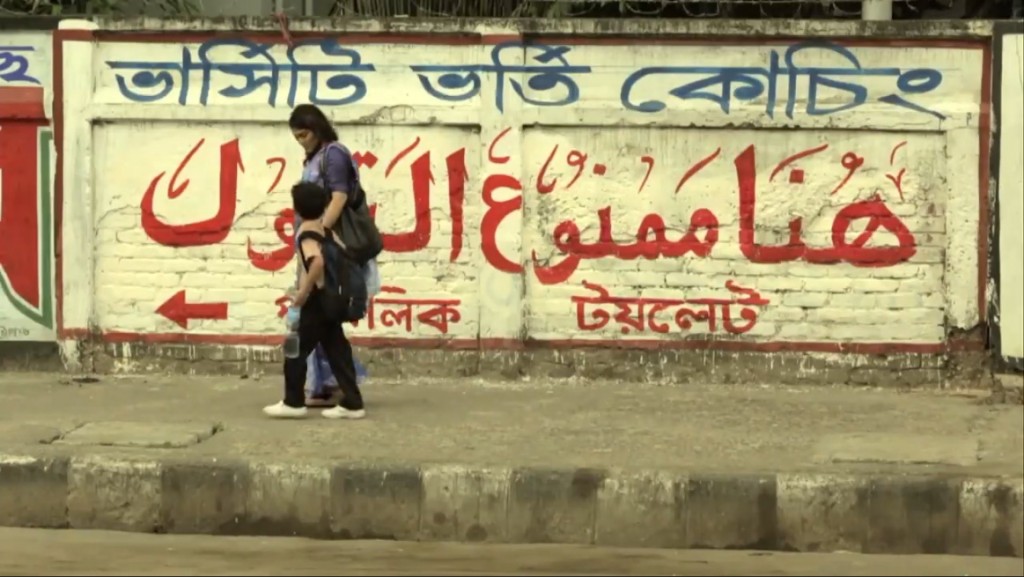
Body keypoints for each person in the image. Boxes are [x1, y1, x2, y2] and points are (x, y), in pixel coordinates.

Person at [286, 104, 380, 407]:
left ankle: (298, 399)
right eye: (296, 136)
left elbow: (339, 196)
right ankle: (336, 389)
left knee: (315, 322)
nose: (301, 140)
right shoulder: (314, 157)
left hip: (329, 250)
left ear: (317, 128)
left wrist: (319, 232)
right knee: (328, 329)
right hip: (318, 246)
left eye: (304, 134)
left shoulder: (334, 154)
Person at [263, 181, 366, 420]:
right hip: (333, 300)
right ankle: (352, 402)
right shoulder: (327, 231)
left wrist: (302, 293)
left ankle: (293, 402)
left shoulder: (306, 232)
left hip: (317, 301)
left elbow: (316, 261)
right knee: (337, 350)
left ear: (297, 208)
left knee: (294, 349)